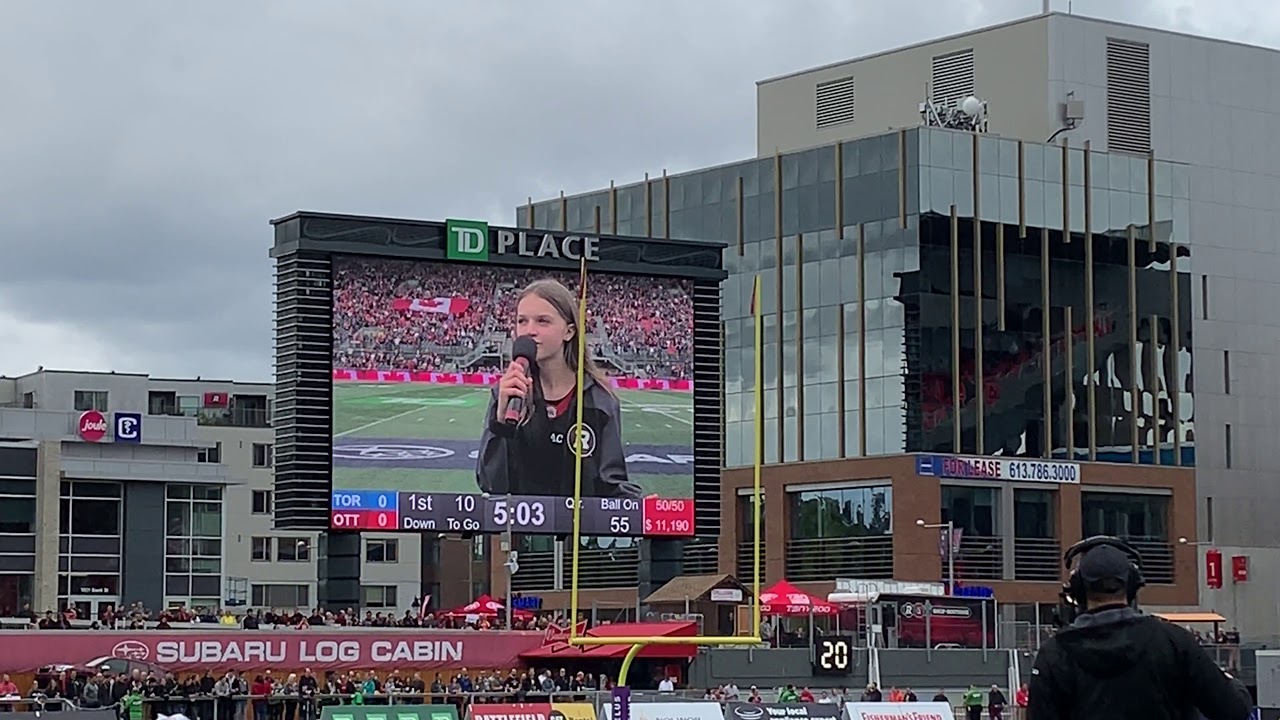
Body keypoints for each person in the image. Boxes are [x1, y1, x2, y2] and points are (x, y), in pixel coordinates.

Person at [1028, 537, 1254, 720]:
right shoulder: (1173, 642)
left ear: (1077, 591)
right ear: (1133, 585)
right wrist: (1229, 680)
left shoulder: (1055, 653)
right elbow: (1234, 711)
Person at [477, 278, 640, 499]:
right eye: (522, 321)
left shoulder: (600, 401)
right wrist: (501, 425)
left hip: (578, 530)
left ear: (569, 331)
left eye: (543, 321)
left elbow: (610, 486)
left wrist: (643, 510)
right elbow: (490, 483)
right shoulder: (507, 393)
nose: (529, 331)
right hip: (520, 529)